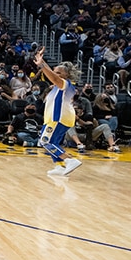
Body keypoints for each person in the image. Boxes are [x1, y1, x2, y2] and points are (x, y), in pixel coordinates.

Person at [31, 46, 83, 177]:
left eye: (58, 73)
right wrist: (41, 62)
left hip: (58, 117)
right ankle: (59, 166)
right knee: (52, 142)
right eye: (55, 72)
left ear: (66, 75)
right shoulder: (57, 86)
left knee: (45, 141)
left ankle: (69, 160)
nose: (55, 75)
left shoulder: (65, 84)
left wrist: (42, 66)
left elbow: (53, 77)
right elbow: (52, 74)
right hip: (56, 118)